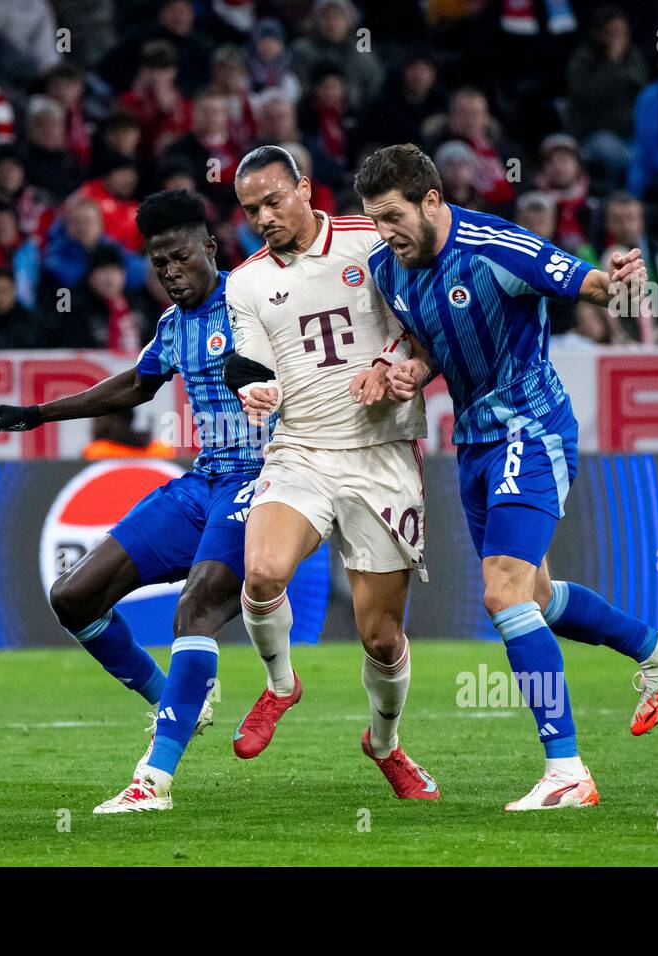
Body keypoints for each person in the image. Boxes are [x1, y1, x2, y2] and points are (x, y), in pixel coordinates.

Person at [354, 144, 658, 811]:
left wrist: (618, 276)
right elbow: (431, 343)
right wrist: (407, 372)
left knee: (502, 594)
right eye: (374, 219)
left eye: (393, 216)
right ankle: (656, 650)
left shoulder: (498, 246)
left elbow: (586, 282)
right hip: (476, 444)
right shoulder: (387, 268)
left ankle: (566, 768)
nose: (384, 233)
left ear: (432, 201)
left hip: (530, 433)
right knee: (534, 598)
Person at [0, 190, 268, 814]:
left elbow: (314, 370)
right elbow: (134, 385)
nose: (171, 272)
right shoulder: (175, 326)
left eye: (181, 258)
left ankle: (153, 781)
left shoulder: (258, 300)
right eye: (158, 264)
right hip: (205, 482)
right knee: (72, 597)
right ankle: (173, 696)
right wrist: (34, 414)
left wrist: (268, 384)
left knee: (196, 606)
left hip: (267, 478)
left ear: (211, 249)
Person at [222, 145, 439, 801]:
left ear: (305, 190)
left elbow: (425, 322)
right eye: (250, 209)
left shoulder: (369, 242)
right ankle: (282, 683)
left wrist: (395, 365)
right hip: (302, 451)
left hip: (383, 454)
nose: (262, 217)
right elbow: (249, 363)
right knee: (261, 573)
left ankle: (385, 743)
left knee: (381, 635)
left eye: (272, 200)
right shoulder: (246, 282)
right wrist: (252, 392)